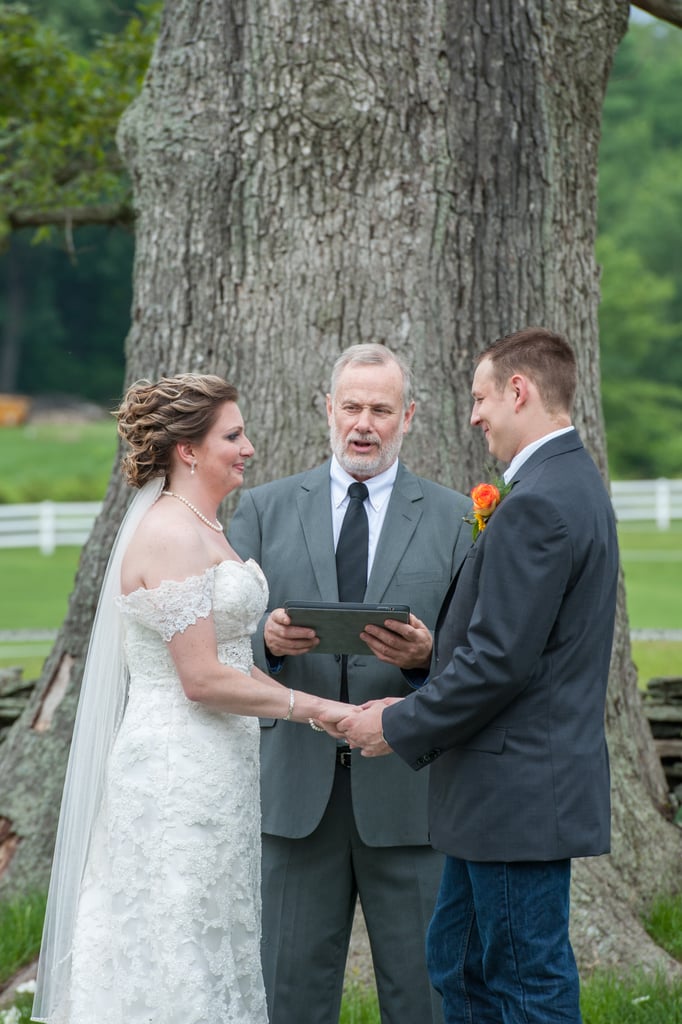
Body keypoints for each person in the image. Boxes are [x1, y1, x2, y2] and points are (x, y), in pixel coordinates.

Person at [32, 373, 347, 1024]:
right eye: (233, 436)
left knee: (214, 935)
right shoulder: (170, 534)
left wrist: (326, 713)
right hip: (175, 769)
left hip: (220, 766)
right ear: (188, 450)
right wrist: (313, 709)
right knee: (172, 938)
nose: (249, 448)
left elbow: (233, 659)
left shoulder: (206, 526)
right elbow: (200, 679)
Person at [333, 328, 620, 1024]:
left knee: (526, 982)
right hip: (493, 798)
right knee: (459, 965)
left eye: (481, 396)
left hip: (517, 794)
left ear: (519, 390)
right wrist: (430, 659)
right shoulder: (566, 482)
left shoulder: (541, 503)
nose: (474, 415)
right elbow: (520, 646)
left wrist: (393, 724)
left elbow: (500, 663)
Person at [228, 343, 472, 1024]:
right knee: (289, 998)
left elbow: (485, 656)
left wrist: (427, 656)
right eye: (352, 406)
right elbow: (215, 642)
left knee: (424, 998)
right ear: (327, 409)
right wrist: (266, 644)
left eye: (382, 409)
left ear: (410, 416)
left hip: (411, 797)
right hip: (295, 795)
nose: (364, 423)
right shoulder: (264, 511)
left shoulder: (457, 519)